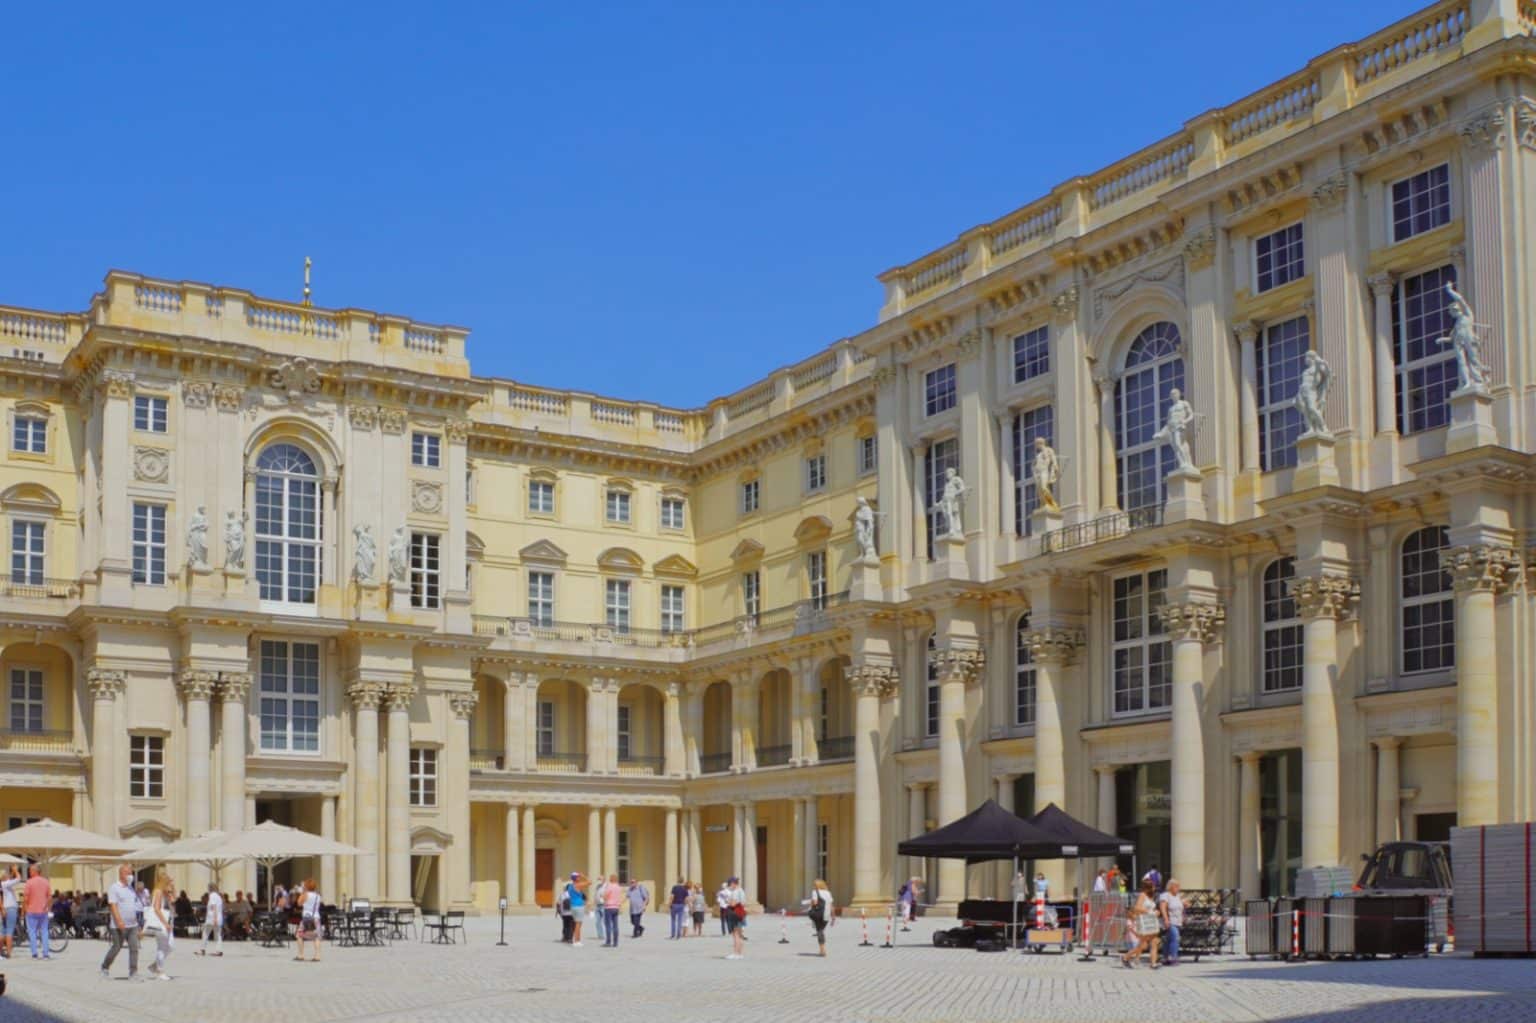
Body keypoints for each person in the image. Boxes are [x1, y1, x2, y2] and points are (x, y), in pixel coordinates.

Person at [100, 864, 142, 980]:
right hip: (118, 925)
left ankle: (133, 972)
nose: (131, 875)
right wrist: (119, 921)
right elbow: (113, 906)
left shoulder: (130, 888)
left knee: (134, 948)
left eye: (131, 873)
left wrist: (138, 924)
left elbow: (134, 905)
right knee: (116, 947)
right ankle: (105, 967)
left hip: (132, 925)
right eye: (128, 873)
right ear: (121, 874)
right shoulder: (114, 888)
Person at [1121, 878, 1162, 970]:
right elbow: (1137, 908)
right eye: (1153, 886)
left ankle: (1153, 963)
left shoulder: (1151, 897)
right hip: (1144, 922)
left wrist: (1156, 912)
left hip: (1151, 922)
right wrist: (1149, 911)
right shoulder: (1142, 895)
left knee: (1154, 942)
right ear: (1149, 887)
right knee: (1143, 945)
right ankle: (1126, 957)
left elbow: (1152, 909)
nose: (1155, 888)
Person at [23, 863, 51, 960]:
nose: (29, 872)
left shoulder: (29, 882)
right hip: (43, 911)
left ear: (35, 871)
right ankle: (46, 954)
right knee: (44, 932)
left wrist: (25, 909)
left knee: (32, 932)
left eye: (30, 870)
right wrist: (47, 907)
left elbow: (25, 898)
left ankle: (34, 953)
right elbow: (49, 897)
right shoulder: (46, 882)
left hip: (31, 910)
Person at [801, 879, 834, 958]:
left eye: (814, 885)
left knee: (819, 930)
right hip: (827, 915)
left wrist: (808, 902)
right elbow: (832, 905)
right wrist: (833, 917)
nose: (814, 886)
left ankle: (822, 950)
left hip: (818, 914)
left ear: (817, 886)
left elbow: (815, 902)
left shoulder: (815, 892)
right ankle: (822, 948)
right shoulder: (828, 893)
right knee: (821, 930)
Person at [296, 878, 322, 962]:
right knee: (316, 937)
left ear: (306, 886)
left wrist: (303, 892)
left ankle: (301, 955)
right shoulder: (318, 895)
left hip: (307, 918)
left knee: (299, 935)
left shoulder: (305, 894)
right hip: (316, 917)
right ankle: (317, 955)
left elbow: (299, 903)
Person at [1158, 879, 1184, 965]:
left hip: (1178, 921)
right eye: (1176, 886)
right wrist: (1166, 919)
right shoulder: (1165, 895)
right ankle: (1173, 957)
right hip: (1170, 921)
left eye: (1178, 886)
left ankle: (1165, 958)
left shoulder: (1178, 896)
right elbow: (1163, 908)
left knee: (1169, 940)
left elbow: (1181, 908)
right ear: (1170, 887)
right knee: (1175, 937)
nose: (1178, 888)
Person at [722, 875, 746, 960]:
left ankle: (735, 953)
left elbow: (733, 904)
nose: (729, 886)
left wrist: (727, 901)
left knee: (735, 934)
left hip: (735, 914)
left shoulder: (736, 891)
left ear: (733, 883)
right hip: (741, 914)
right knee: (739, 934)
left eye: (729, 884)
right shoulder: (742, 890)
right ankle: (739, 953)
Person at [197, 882, 224, 957]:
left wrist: (214, 918)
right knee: (218, 935)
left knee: (205, 933)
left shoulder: (212, 896)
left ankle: (202, 949)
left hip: (212, 918)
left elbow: (213, 906)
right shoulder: (219, 897)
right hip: (218, 918)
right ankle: (219, 950)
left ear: (210, 888)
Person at [1, 865, 20, 959]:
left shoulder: (3, 885)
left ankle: (1, 952)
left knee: (3, 931)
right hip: (11, 908)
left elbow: (12, 878)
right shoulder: (6, 883)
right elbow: (18, 879)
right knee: (10, 931)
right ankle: (8, 952)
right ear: (5, 877)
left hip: (4, 908)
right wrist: (16, 870)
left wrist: (12, 872)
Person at [564, 872, 587, 947]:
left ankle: (576, 940)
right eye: (578, 877)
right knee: (578, 924)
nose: (579, 877)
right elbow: (590, 882)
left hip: (573, 906)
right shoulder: (578, 885)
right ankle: (577, 941)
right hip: (579, 906)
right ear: (576, 878)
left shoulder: (570, 886)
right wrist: (584, 876)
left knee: (577, 923)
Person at [601, 873, 624, 947]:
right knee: (615, 926)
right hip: (616, 907)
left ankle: (608, 942)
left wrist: (603, 896)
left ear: (611, 879)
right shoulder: (619, 887)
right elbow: (620, 897)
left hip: (609, 907)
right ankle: (615, 942)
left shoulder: (609, 887)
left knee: (608, 925)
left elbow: (605, 896)